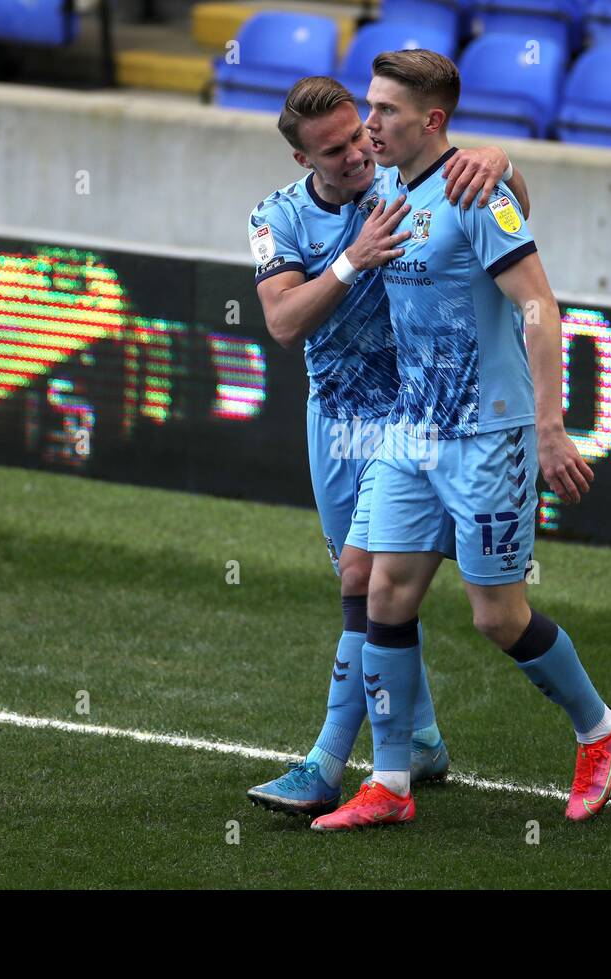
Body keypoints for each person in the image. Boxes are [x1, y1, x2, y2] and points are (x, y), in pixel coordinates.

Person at [310, 50, 611, 832]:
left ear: (433, 121)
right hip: (408, 432)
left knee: (496, 616)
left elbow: (541, 309)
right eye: (369, 106)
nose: (369, 124)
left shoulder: (477, 194)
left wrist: (551, 428)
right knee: (382, 592)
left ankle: (600, 729)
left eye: (385, 111)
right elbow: (313, 179)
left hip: (489, 436)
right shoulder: (386, 185)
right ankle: (388, 781)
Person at [245, 75, 532, 817]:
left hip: (410, 416)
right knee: (371, 592)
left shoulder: (401, 183)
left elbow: (508, 214)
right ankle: (423, 740)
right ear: (305, 157)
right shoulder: (275, 218)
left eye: (358, 135)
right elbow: (282, 324)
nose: (355, 154)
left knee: (362, 579)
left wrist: (501, 160)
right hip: (334, 421)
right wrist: (352, 259)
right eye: (333, 149)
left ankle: (327, 764)